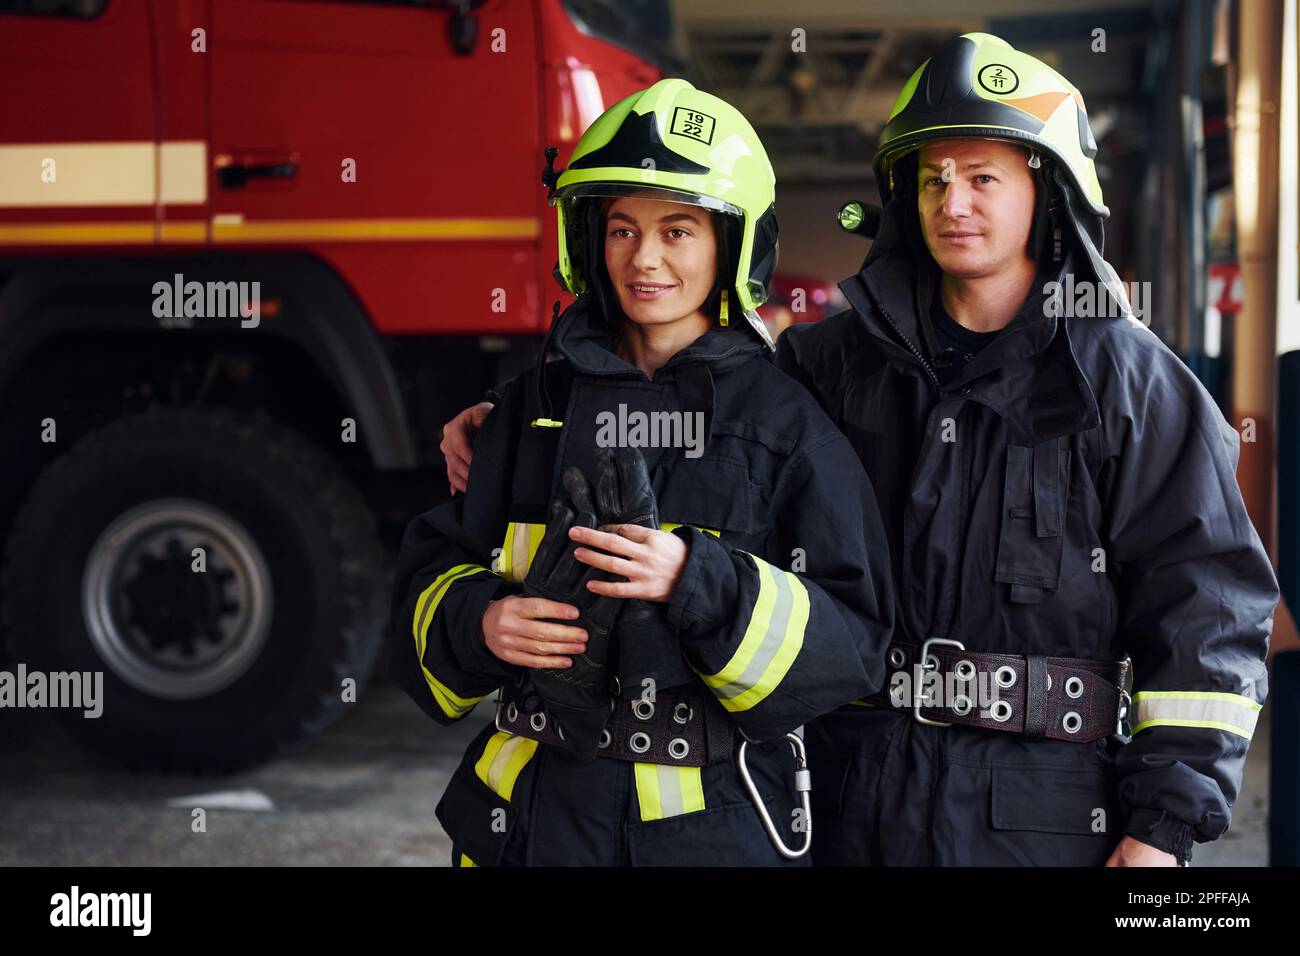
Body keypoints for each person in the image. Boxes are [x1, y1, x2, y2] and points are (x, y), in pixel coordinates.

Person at [440, 34, 1278, 867]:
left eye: (984, 178)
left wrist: (1162, 830)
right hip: (847, 797)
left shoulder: (1136, 389)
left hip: (1047, 817)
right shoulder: (825, 365)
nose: (954, 203)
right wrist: (521, 426)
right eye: (933, 178)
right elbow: (697, 416)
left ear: (1046, 192)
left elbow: (1206, 610)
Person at [390, 78, 894, 867]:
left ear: (731, 244)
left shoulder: (785, 424)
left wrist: (699, 579)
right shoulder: (529, 407)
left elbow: (855, 644)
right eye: (621, 228)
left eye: (678, 231)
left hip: (705, 838)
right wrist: (482, 623)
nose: (644, 258)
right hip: (523, 824)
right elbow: (426, 574)